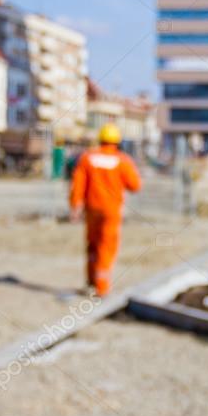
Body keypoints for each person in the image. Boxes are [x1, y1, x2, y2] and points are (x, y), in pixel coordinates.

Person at [69, 124, 141, 296]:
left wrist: (75, 205)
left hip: (92, 208)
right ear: (116, 141)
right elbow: (135, 185)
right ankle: (101, 287)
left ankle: (90, 282)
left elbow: (77, 184)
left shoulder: (87, 158)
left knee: (92, 245)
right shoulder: (122, 160)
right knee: (106, 246)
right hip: (111, 211)